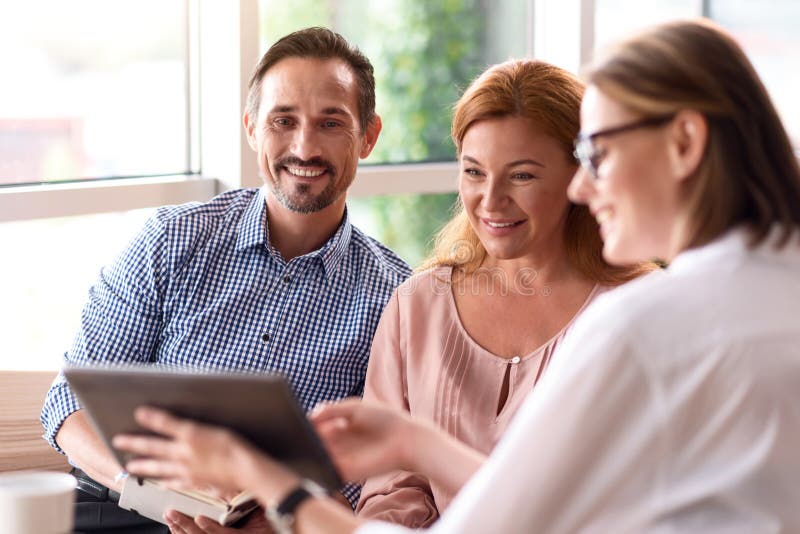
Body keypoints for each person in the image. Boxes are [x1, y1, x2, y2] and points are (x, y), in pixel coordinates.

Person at [112, 18, 800, 533]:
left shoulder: (645, 322)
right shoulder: (775, 291)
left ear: (684, 143)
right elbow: (541, 510)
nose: (589, 189)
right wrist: (416, 445)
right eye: (472, 172)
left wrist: (257, 476)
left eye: (599, 153)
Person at [40, 27, 411, 533]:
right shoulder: (171, 239)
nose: (305, 147)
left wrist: (282, 521)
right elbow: (67, 405)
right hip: (119, 507)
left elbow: (371, 476)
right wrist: (152, 488)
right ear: (253, 127)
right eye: (284, 120)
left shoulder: (395, 297)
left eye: (331, 123)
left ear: (368, 136)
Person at [356, 59, 649, 527]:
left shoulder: (638, 310)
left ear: (579, 176)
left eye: (522, 176)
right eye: (474, 172)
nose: (491, 201)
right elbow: (391, 487)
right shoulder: (417, 305)